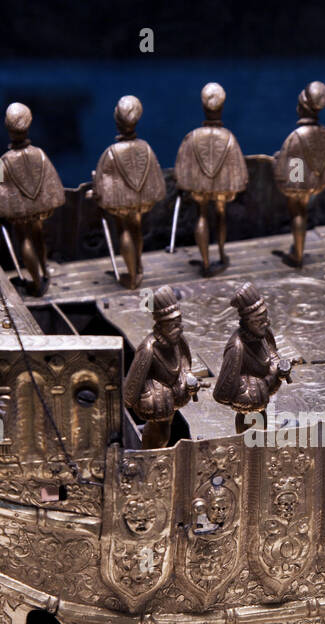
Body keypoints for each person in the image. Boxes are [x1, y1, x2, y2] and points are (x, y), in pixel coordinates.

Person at [0, 102, 65, 296]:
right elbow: (51, 180)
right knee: (38, 232)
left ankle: (37, 282)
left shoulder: (2, 161)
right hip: (38, 205)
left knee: (24, 239)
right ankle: (45, 270)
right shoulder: (39, 154)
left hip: (18, 209)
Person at [174, 83, 248, 276]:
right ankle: (222, 255)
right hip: (222, 186)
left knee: (202, 215)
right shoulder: (228, 137)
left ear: (203, 106)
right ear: (221, 107)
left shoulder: (192, 137)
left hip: (199, 186)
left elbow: (181, 168)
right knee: (221, 214)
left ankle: (206, 263)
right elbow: (239, 170)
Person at [93, 95, 165, 289]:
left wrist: (97, 192)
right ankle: (138, 267)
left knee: (124, 230)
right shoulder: (145, 148)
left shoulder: (111, 152)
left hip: (119, 199)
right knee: (136, 228)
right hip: (139, 197)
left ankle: (132, 276)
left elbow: (102, 180)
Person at [123, 285, 199, 448]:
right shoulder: (149, 349)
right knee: (160, 432)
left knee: (167, 428)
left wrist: (190, 381)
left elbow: (185, 367)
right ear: (160, 326)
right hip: (158, 403)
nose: (178, 329)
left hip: (172, 401)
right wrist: (152, 393)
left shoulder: (179, 341)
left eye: (179, 323)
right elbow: (129, 394)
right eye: (173, 326)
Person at [274, 81, 325, 268]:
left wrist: (280, 166)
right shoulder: (324, 133)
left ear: (302, 108)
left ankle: (298, 255)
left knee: (298, 211)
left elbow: (295, 171)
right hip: (315, 181)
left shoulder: (298, 135)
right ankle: (299, 248)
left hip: (300, 180)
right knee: (304, 211)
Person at [213, 282, 290, 432]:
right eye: (259, 321)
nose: (266, 323)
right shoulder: (237, 347)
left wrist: (279, 367)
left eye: (265, 318)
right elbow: (222, 393)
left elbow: (272, 354)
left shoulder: (264, 333)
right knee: (249, 440)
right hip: (249, 404)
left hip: (261, 403)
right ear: (246, 323)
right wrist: (256, 387)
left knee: (261, 436)